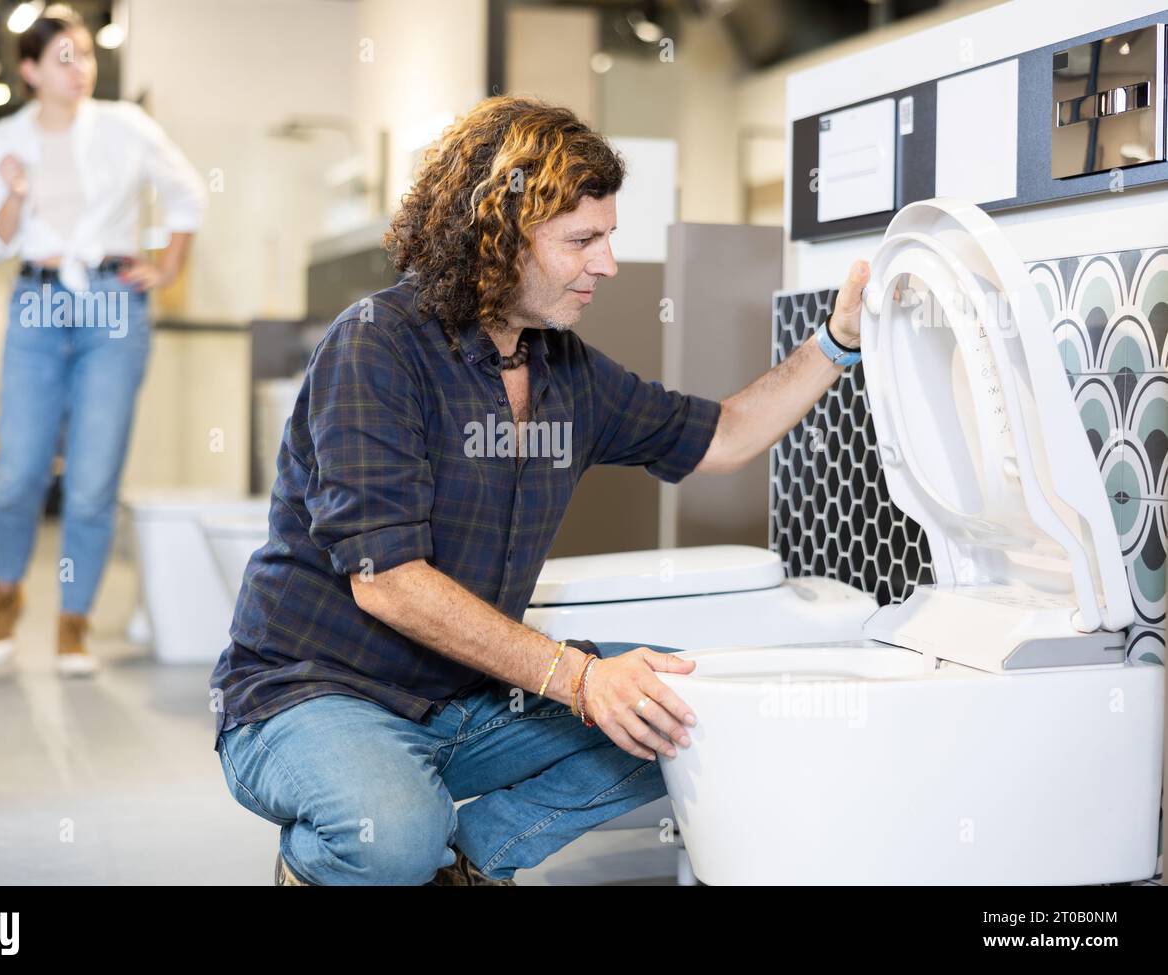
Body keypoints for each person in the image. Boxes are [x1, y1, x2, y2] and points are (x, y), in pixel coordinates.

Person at [209, 95, 867, 885]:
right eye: (582, 240)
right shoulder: (376, 346)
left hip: (465, 699)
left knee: (685, 717)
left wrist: (838, 342)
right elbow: (388, 583)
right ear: (497, 235)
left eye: (609, 238)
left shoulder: (567, 371)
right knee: (390, 837)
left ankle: (466, 858)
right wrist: (580, 677)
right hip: (313, 695)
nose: (608, 265)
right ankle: (346, 856)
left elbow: (725, 434)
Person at [0, 4, 206, 675]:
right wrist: (14, 192)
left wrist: (168, 266)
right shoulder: (5, 139)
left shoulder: (126, 127)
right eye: (64, 58)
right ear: (32, 70)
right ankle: (6, 592)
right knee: (17, 473)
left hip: (113, 305)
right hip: (36, 303)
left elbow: (187, 195)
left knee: (93, 480)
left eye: (87, 55)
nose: (81, 70)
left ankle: (74, 622)